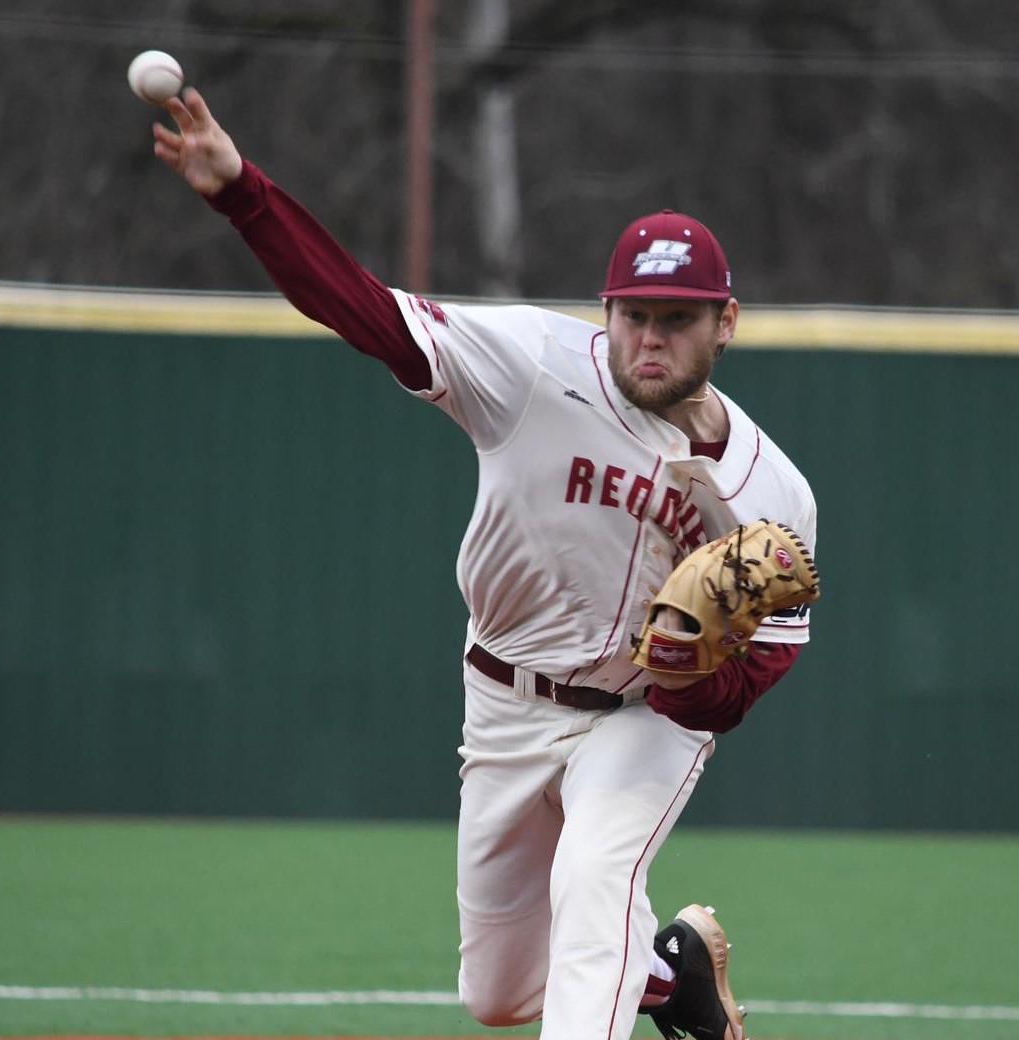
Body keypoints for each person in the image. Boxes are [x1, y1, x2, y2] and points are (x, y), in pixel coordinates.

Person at [150, 87, 817, 1040]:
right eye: (634, 313)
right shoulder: (532, 366)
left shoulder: (774, 495)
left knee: (594, 880)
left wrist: (687, 682)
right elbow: (364, 309)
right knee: (498, 996)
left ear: (726, 323)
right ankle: (671, 977)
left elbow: (753, 679)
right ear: (607, 309)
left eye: (677, 317)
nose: (650, 337)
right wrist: (240, 193)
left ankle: (625, 970)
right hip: (505, 700)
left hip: (640, 720)